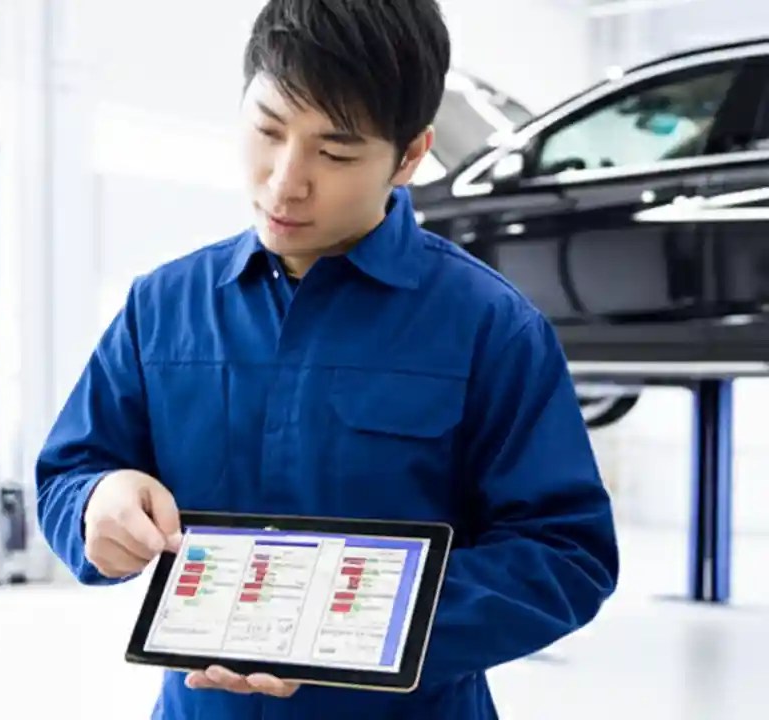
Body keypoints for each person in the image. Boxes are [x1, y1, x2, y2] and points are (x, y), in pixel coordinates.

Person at [35, 0, 619, 717]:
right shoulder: (163, 306)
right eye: (267, 130)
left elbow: (564, 553)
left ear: (409, 155)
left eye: (335, 152)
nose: (286, 181)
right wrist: (98, 504)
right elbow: (70, 472)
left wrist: (362, 631)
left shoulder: (490, 328)